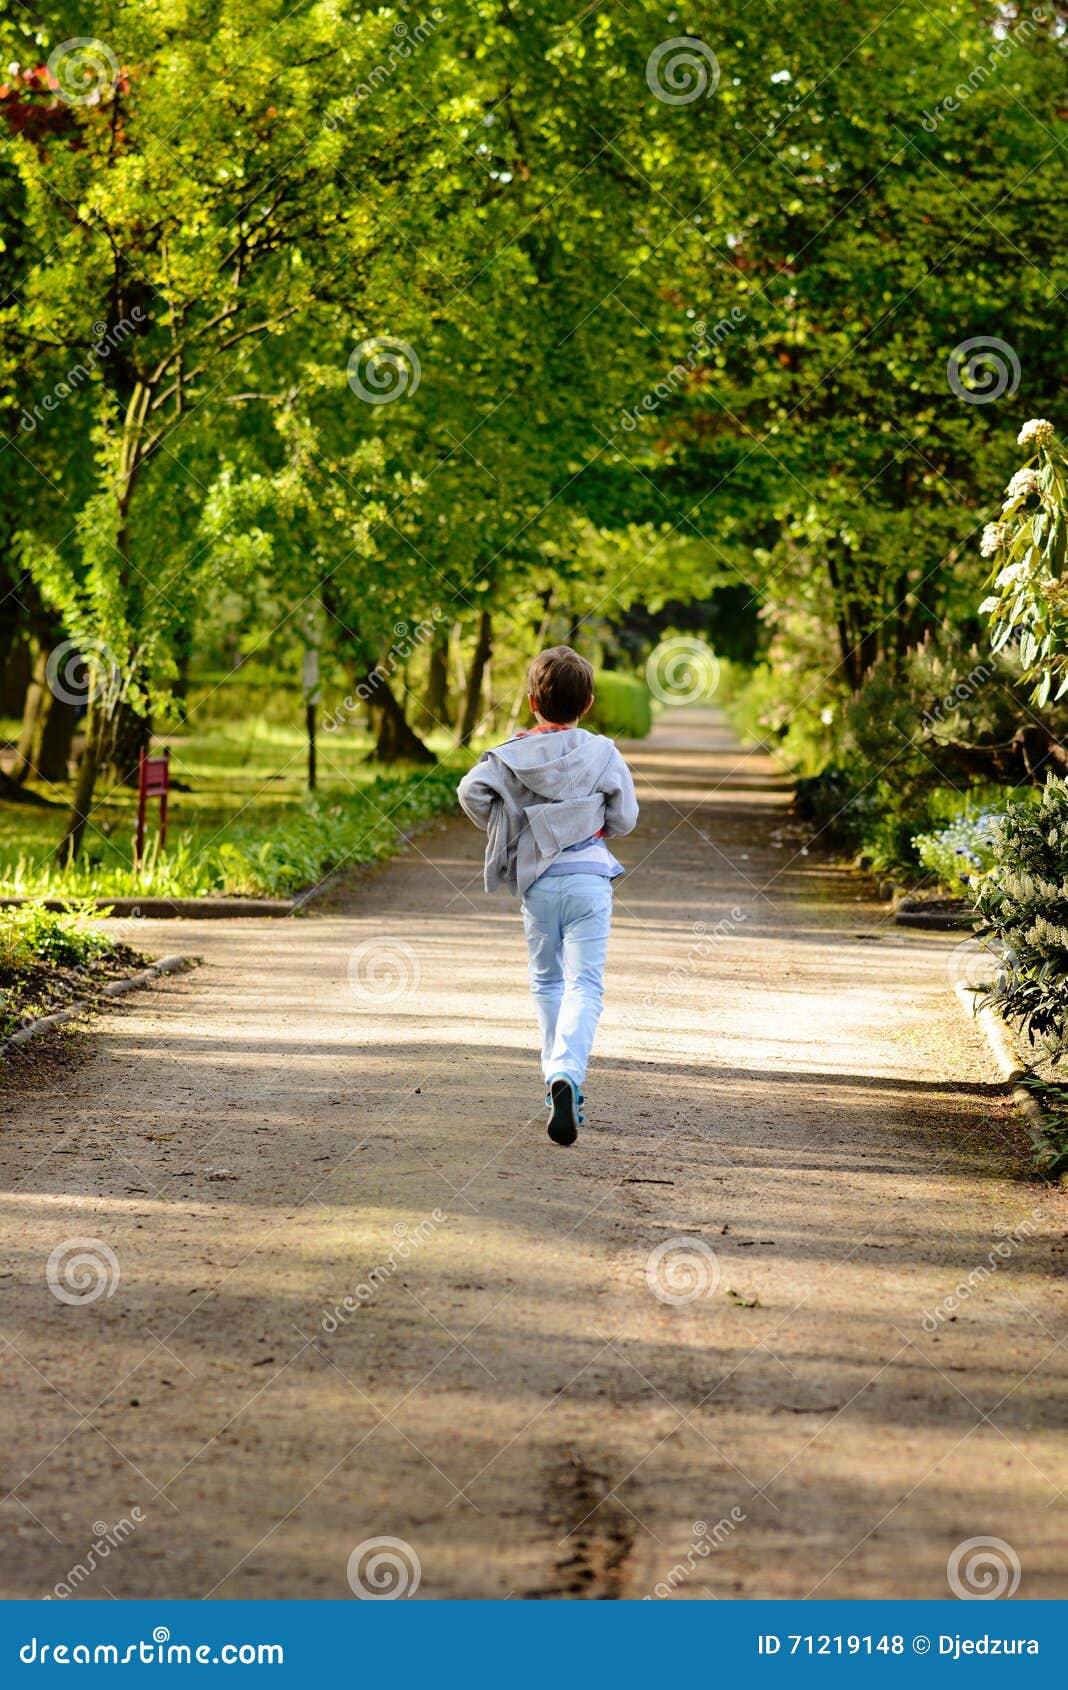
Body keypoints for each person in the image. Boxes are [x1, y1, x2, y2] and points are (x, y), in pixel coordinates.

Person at [457, 646, 639, 1146]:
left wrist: (511, 827)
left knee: (546, 982)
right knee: (586, 985)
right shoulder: (602, 752)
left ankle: (555, 1079)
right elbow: (624, 819)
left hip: (538, 882)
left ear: (532, 701)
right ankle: (567, 1076)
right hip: (589, 880)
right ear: (589, 704)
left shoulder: (509, 755)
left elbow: (470, 792)